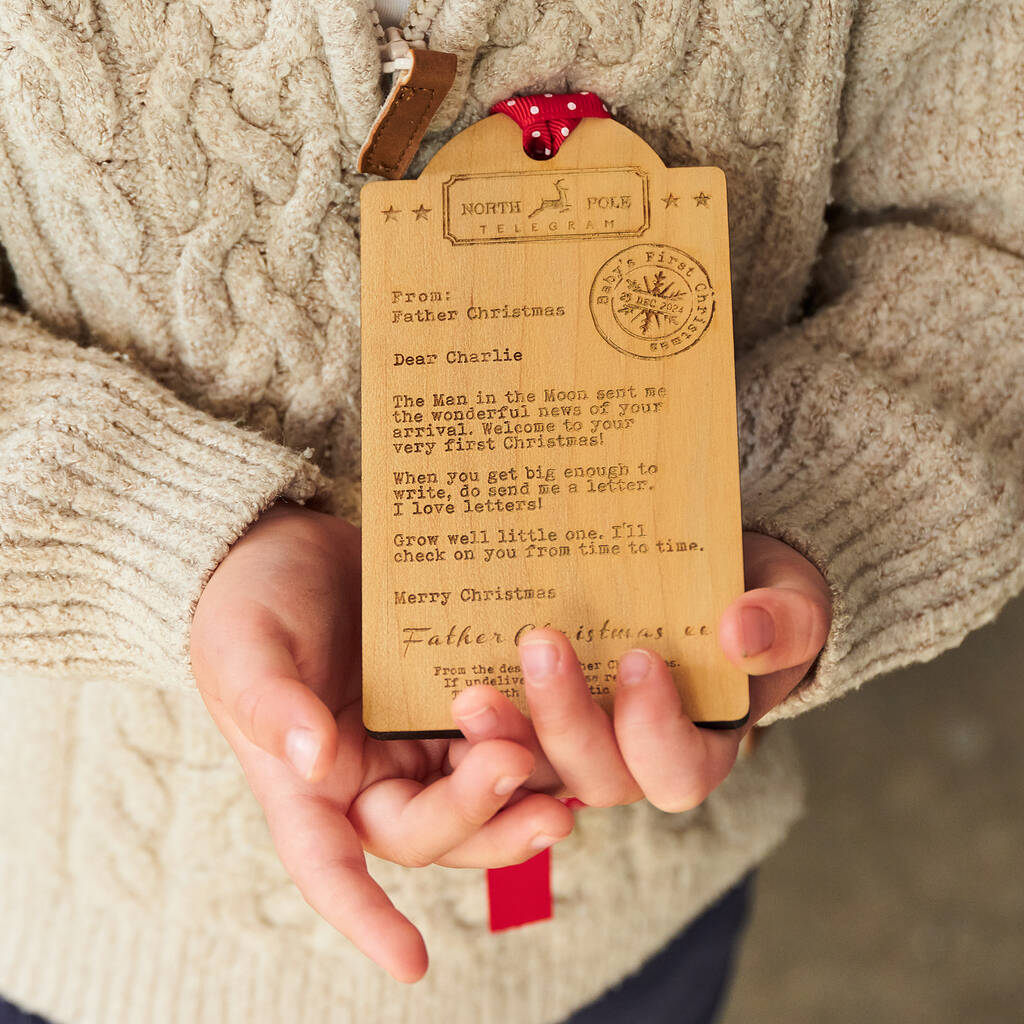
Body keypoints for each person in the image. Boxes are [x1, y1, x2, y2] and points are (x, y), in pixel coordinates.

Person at [1, 1, 1021, 1022]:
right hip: (93, 904)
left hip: (633, 911)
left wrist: (810, 512)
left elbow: (989, 237)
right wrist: (156, 535)